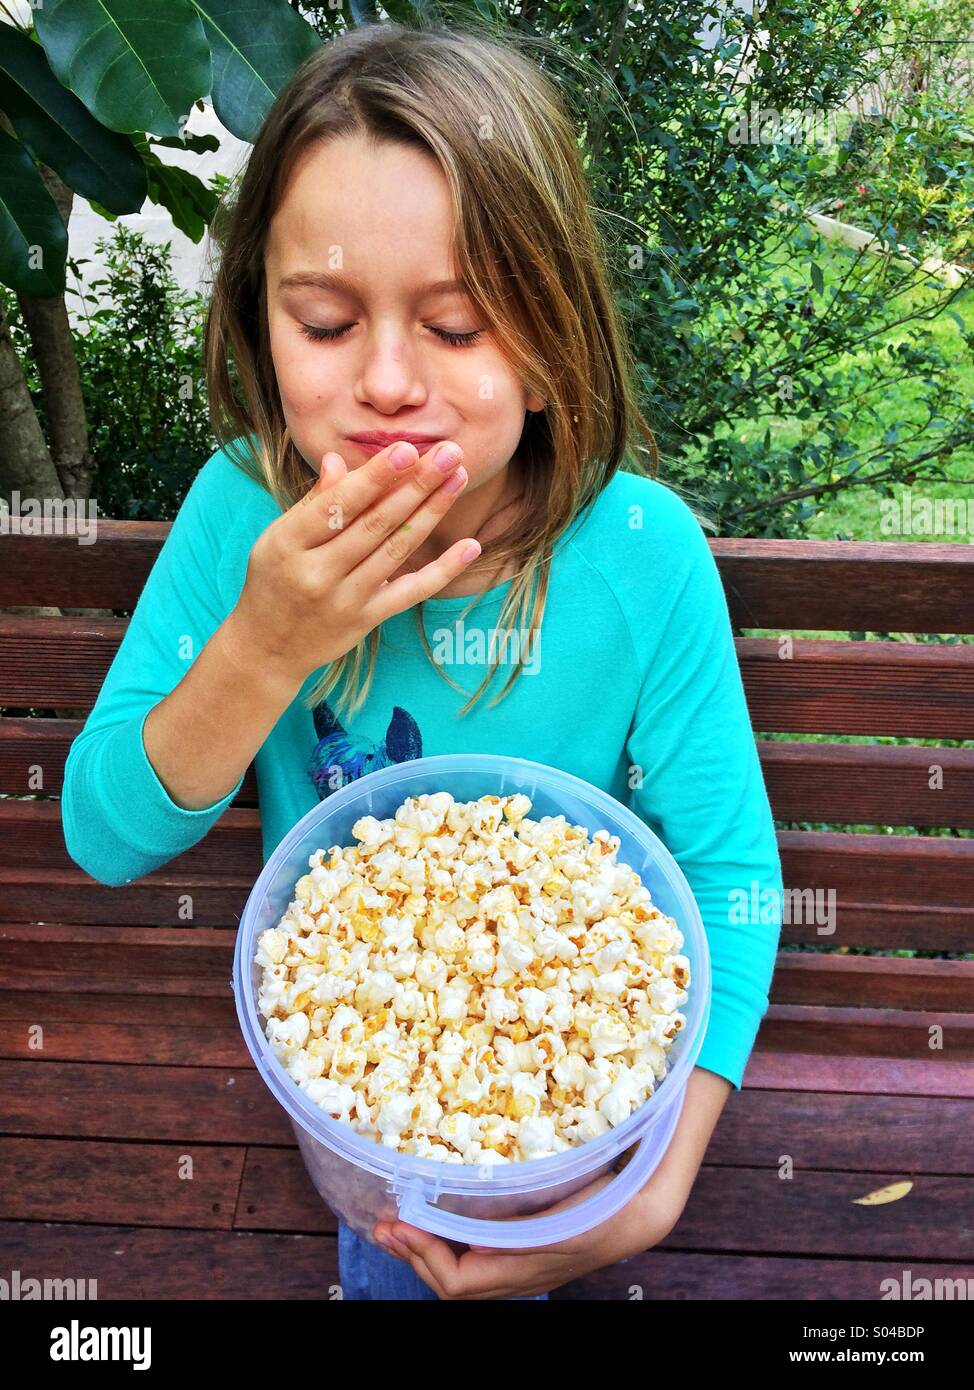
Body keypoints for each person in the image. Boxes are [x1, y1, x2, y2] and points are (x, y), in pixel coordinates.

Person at [62, 20, 784, 1301]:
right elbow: (105, 833)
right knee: (399, 1273)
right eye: (327, 321)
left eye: (457, 327)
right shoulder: (244, 518)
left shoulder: (639, 555)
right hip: (366, 1092)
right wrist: (264, 643)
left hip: (577, 1093)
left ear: (557, 346)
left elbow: (725, 872)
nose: (387, 382)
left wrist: (658, 1183)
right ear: (258, 327)